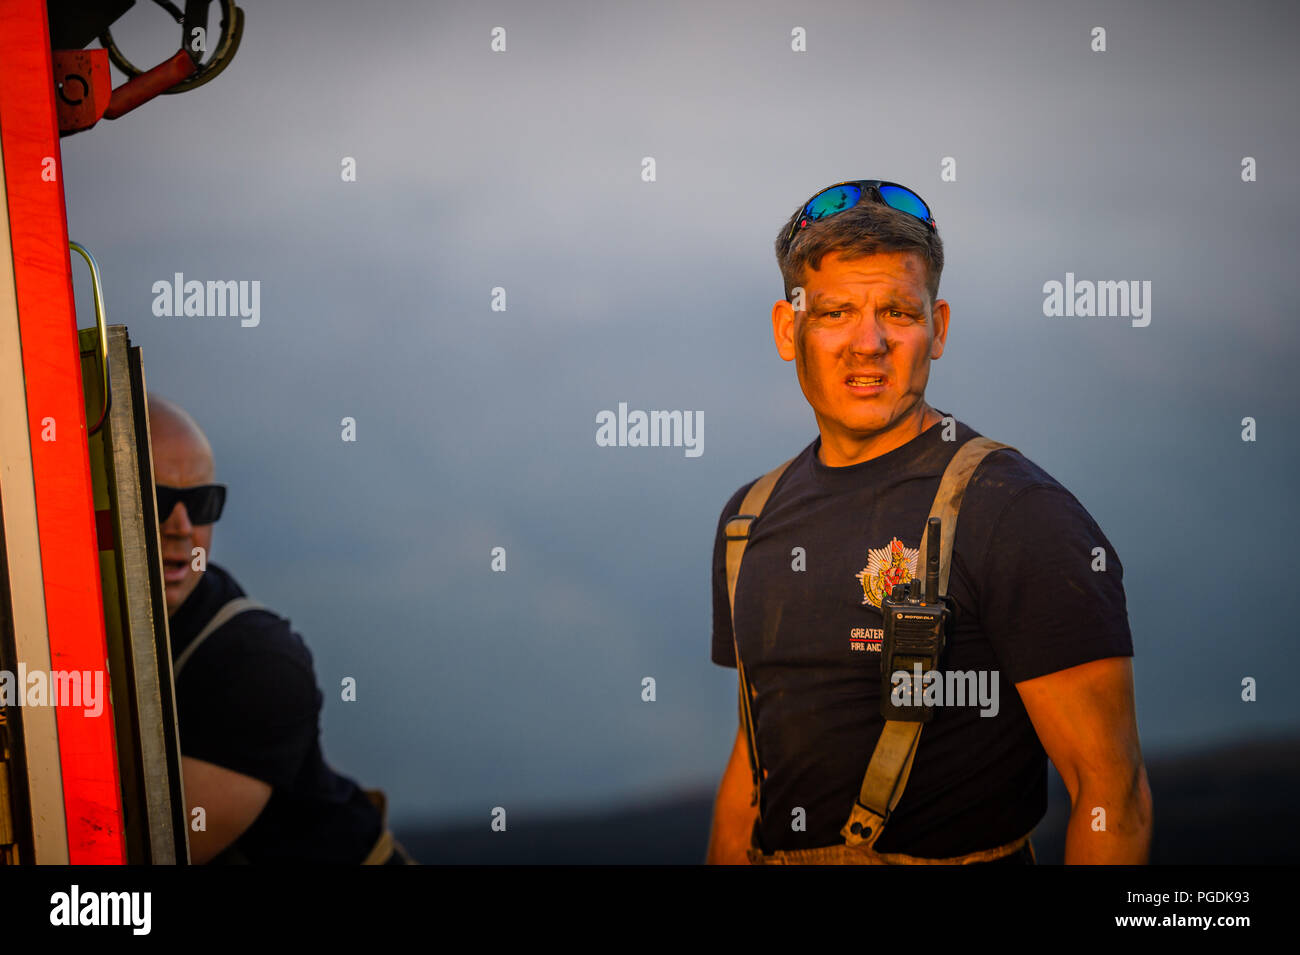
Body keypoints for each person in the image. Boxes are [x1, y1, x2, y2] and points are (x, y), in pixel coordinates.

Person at [705, 180, 1153, 865]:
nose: (869, 342)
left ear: (937, 328)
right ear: (785, 329)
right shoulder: (748, 520)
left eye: (897, 311)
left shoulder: (1017, 514)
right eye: (833, 312)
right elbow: (754, 763)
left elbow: (1111, 793)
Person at [148, 394, 414, 864]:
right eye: (155, 498)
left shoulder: (260, 664)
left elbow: (150, 854)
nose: (182, 527)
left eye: (202, 502)